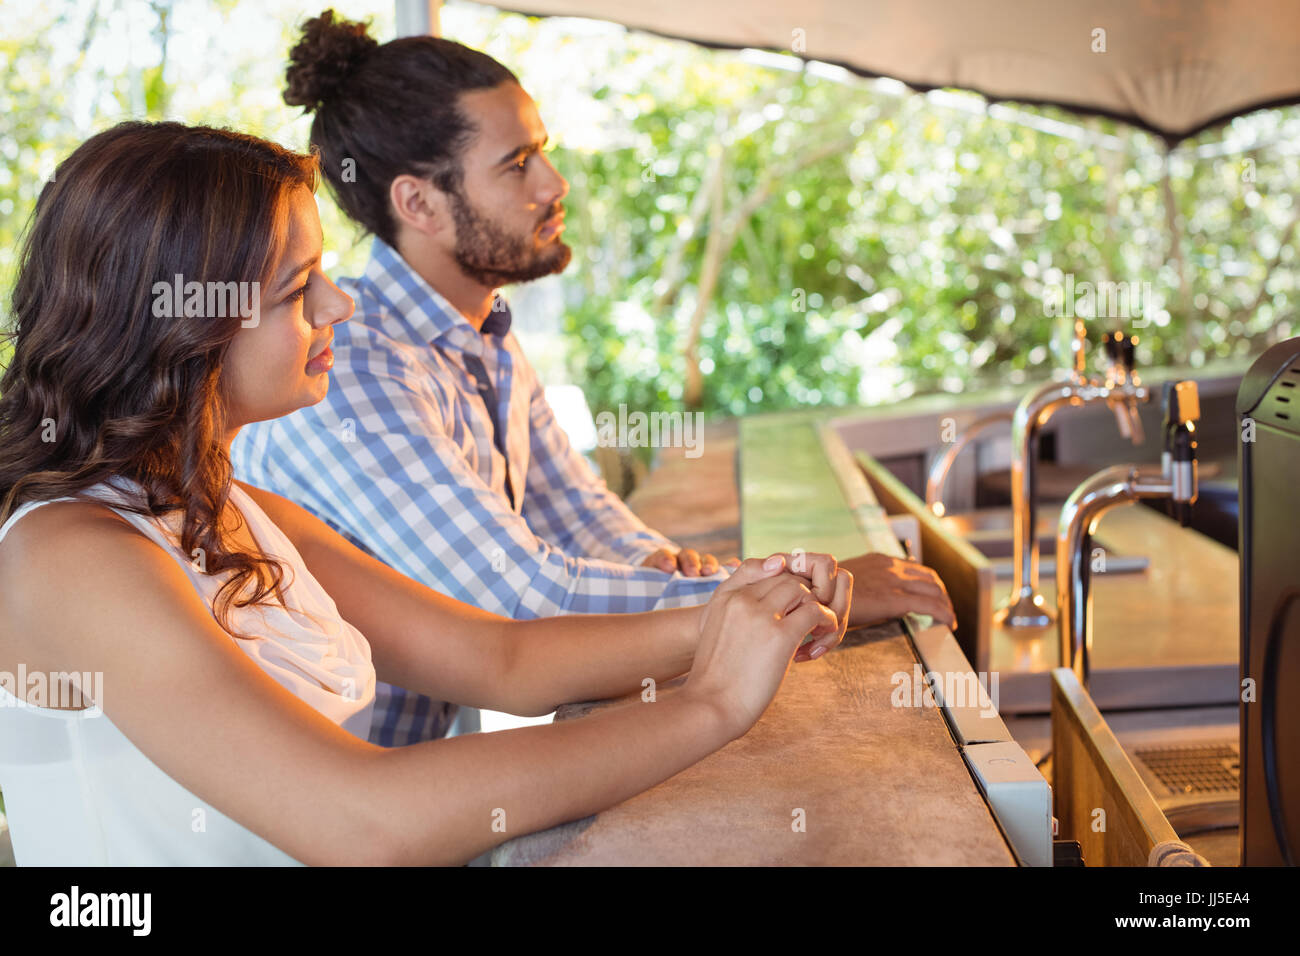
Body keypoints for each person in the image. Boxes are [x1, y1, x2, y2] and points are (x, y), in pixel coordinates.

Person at [0, 121, 851, 866]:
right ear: (183, 325)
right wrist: (711, 705)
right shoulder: (71, 557)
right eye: (300, 290)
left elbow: (501, 661)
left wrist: (741, 612)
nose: (340, 306)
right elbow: (362, 821)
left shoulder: (233, 510)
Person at [231, 11, 957, 746]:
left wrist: (651, 559)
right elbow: (520, 601)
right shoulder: (348, 363)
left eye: (542, 152)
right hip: (315, 832)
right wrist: (787, 595)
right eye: (517, 164)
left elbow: (572, 506)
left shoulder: (480, 334)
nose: (555, 182)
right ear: (418, 202)